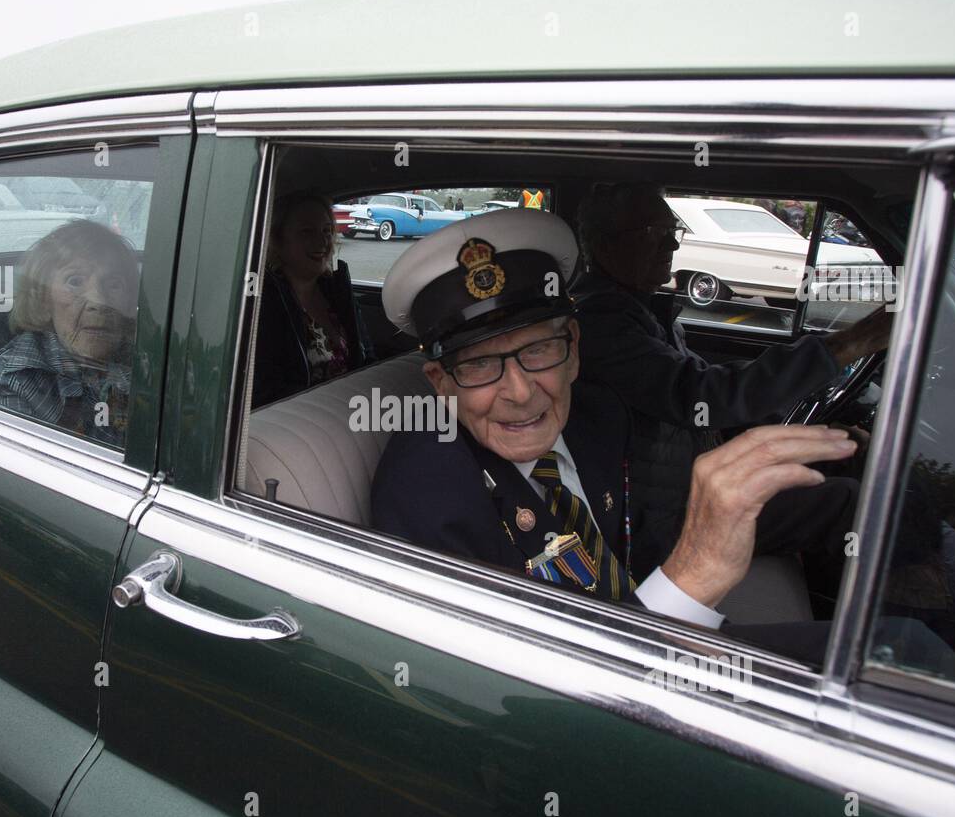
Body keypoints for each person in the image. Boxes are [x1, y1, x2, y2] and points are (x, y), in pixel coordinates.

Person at [372, 209, 859, 639]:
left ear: (575, 350)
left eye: (539, 349)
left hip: (667, 636)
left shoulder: (599, 419)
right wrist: (695, 577)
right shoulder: (426, 488)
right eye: (479, 365)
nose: (520, 392)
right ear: (440, 382)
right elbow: (517, 696)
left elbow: (637, 549)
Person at [571, 182, 887, 578]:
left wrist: (808, 437)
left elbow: (711, 400)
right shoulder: (601, 324)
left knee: (844, 460)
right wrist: (848, 344)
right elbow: (704, 394)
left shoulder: (641, 311)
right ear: (603, 245)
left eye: (673, 233)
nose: (671, 247)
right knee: (848, 502)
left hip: (687, 487)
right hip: (663, 524)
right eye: (654, 234)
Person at [0, 220, 138, 446]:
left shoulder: (150, 359)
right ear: (43, 300)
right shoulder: (13, 380)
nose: (99, 302)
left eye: (113, 284)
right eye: (75, 281)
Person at [253, 191, 368, 407]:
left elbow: (367, 357)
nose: (322, 241)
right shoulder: (267, 302)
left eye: (326, 231)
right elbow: (267, 389)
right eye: (307, 232)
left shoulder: (337, 290)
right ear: (278, 240)